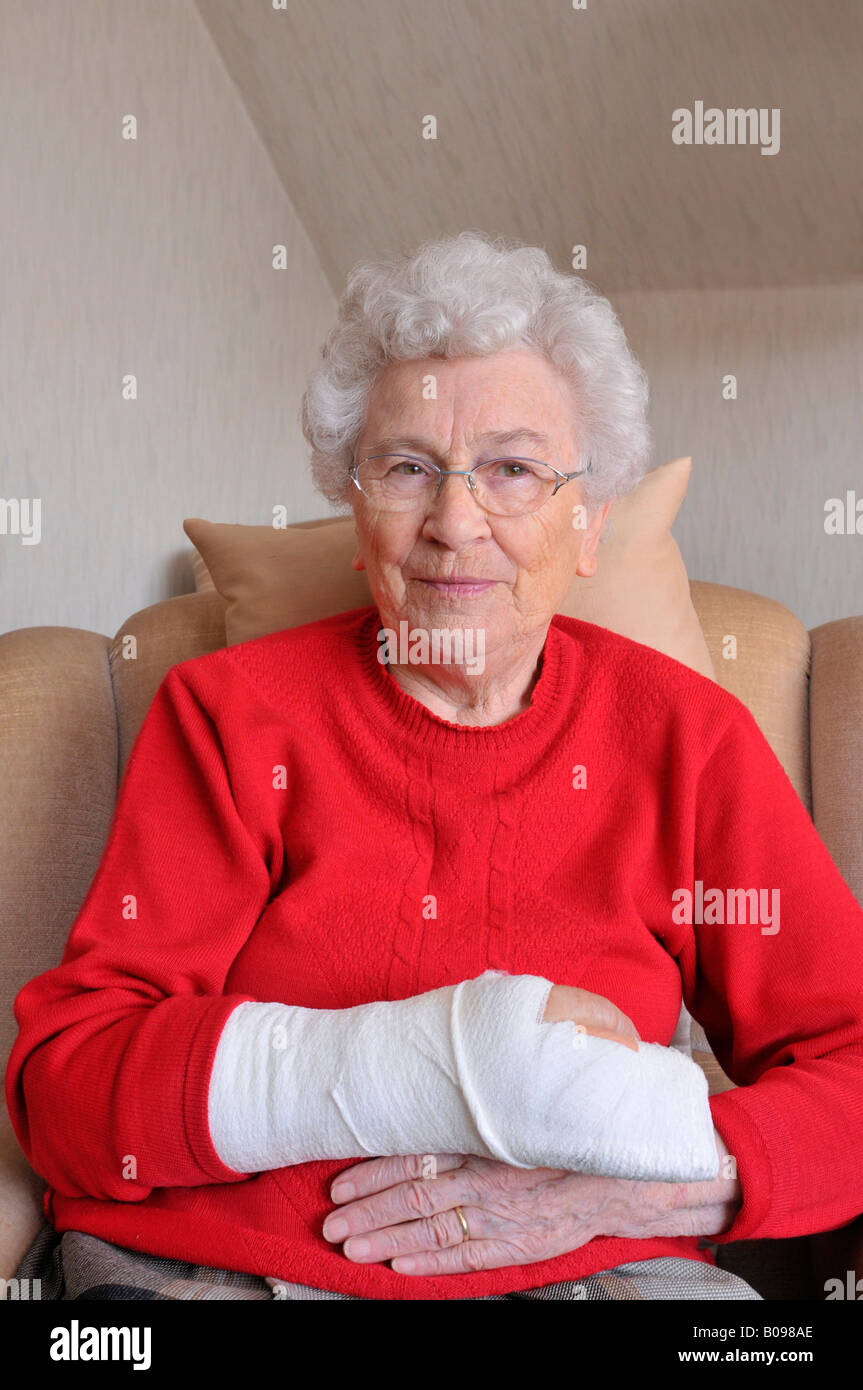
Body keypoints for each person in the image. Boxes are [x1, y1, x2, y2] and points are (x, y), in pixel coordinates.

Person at [8, 231, 863, 1302]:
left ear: (587, 525)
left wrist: (639, 1190)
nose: (455, 524)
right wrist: (407, 1063)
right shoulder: (228, 716)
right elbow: (71, 1096)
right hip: (234, 1269)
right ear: (356, 513)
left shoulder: (687, 740)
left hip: (596, 1269)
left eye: (513, 470)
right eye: (407, 468)